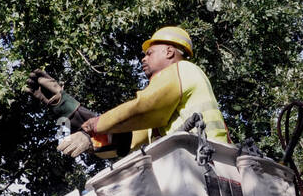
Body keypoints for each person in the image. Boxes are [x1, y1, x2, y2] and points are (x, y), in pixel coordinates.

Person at [75, 27, 232, 157]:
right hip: (206, 159)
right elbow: (131, 139)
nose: (143, 59)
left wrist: (92, 126)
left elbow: (142, 107)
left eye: (149, 53)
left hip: (205, 157)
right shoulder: (159, 114)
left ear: (169, 52)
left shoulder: (182, 69)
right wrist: (92, 141)